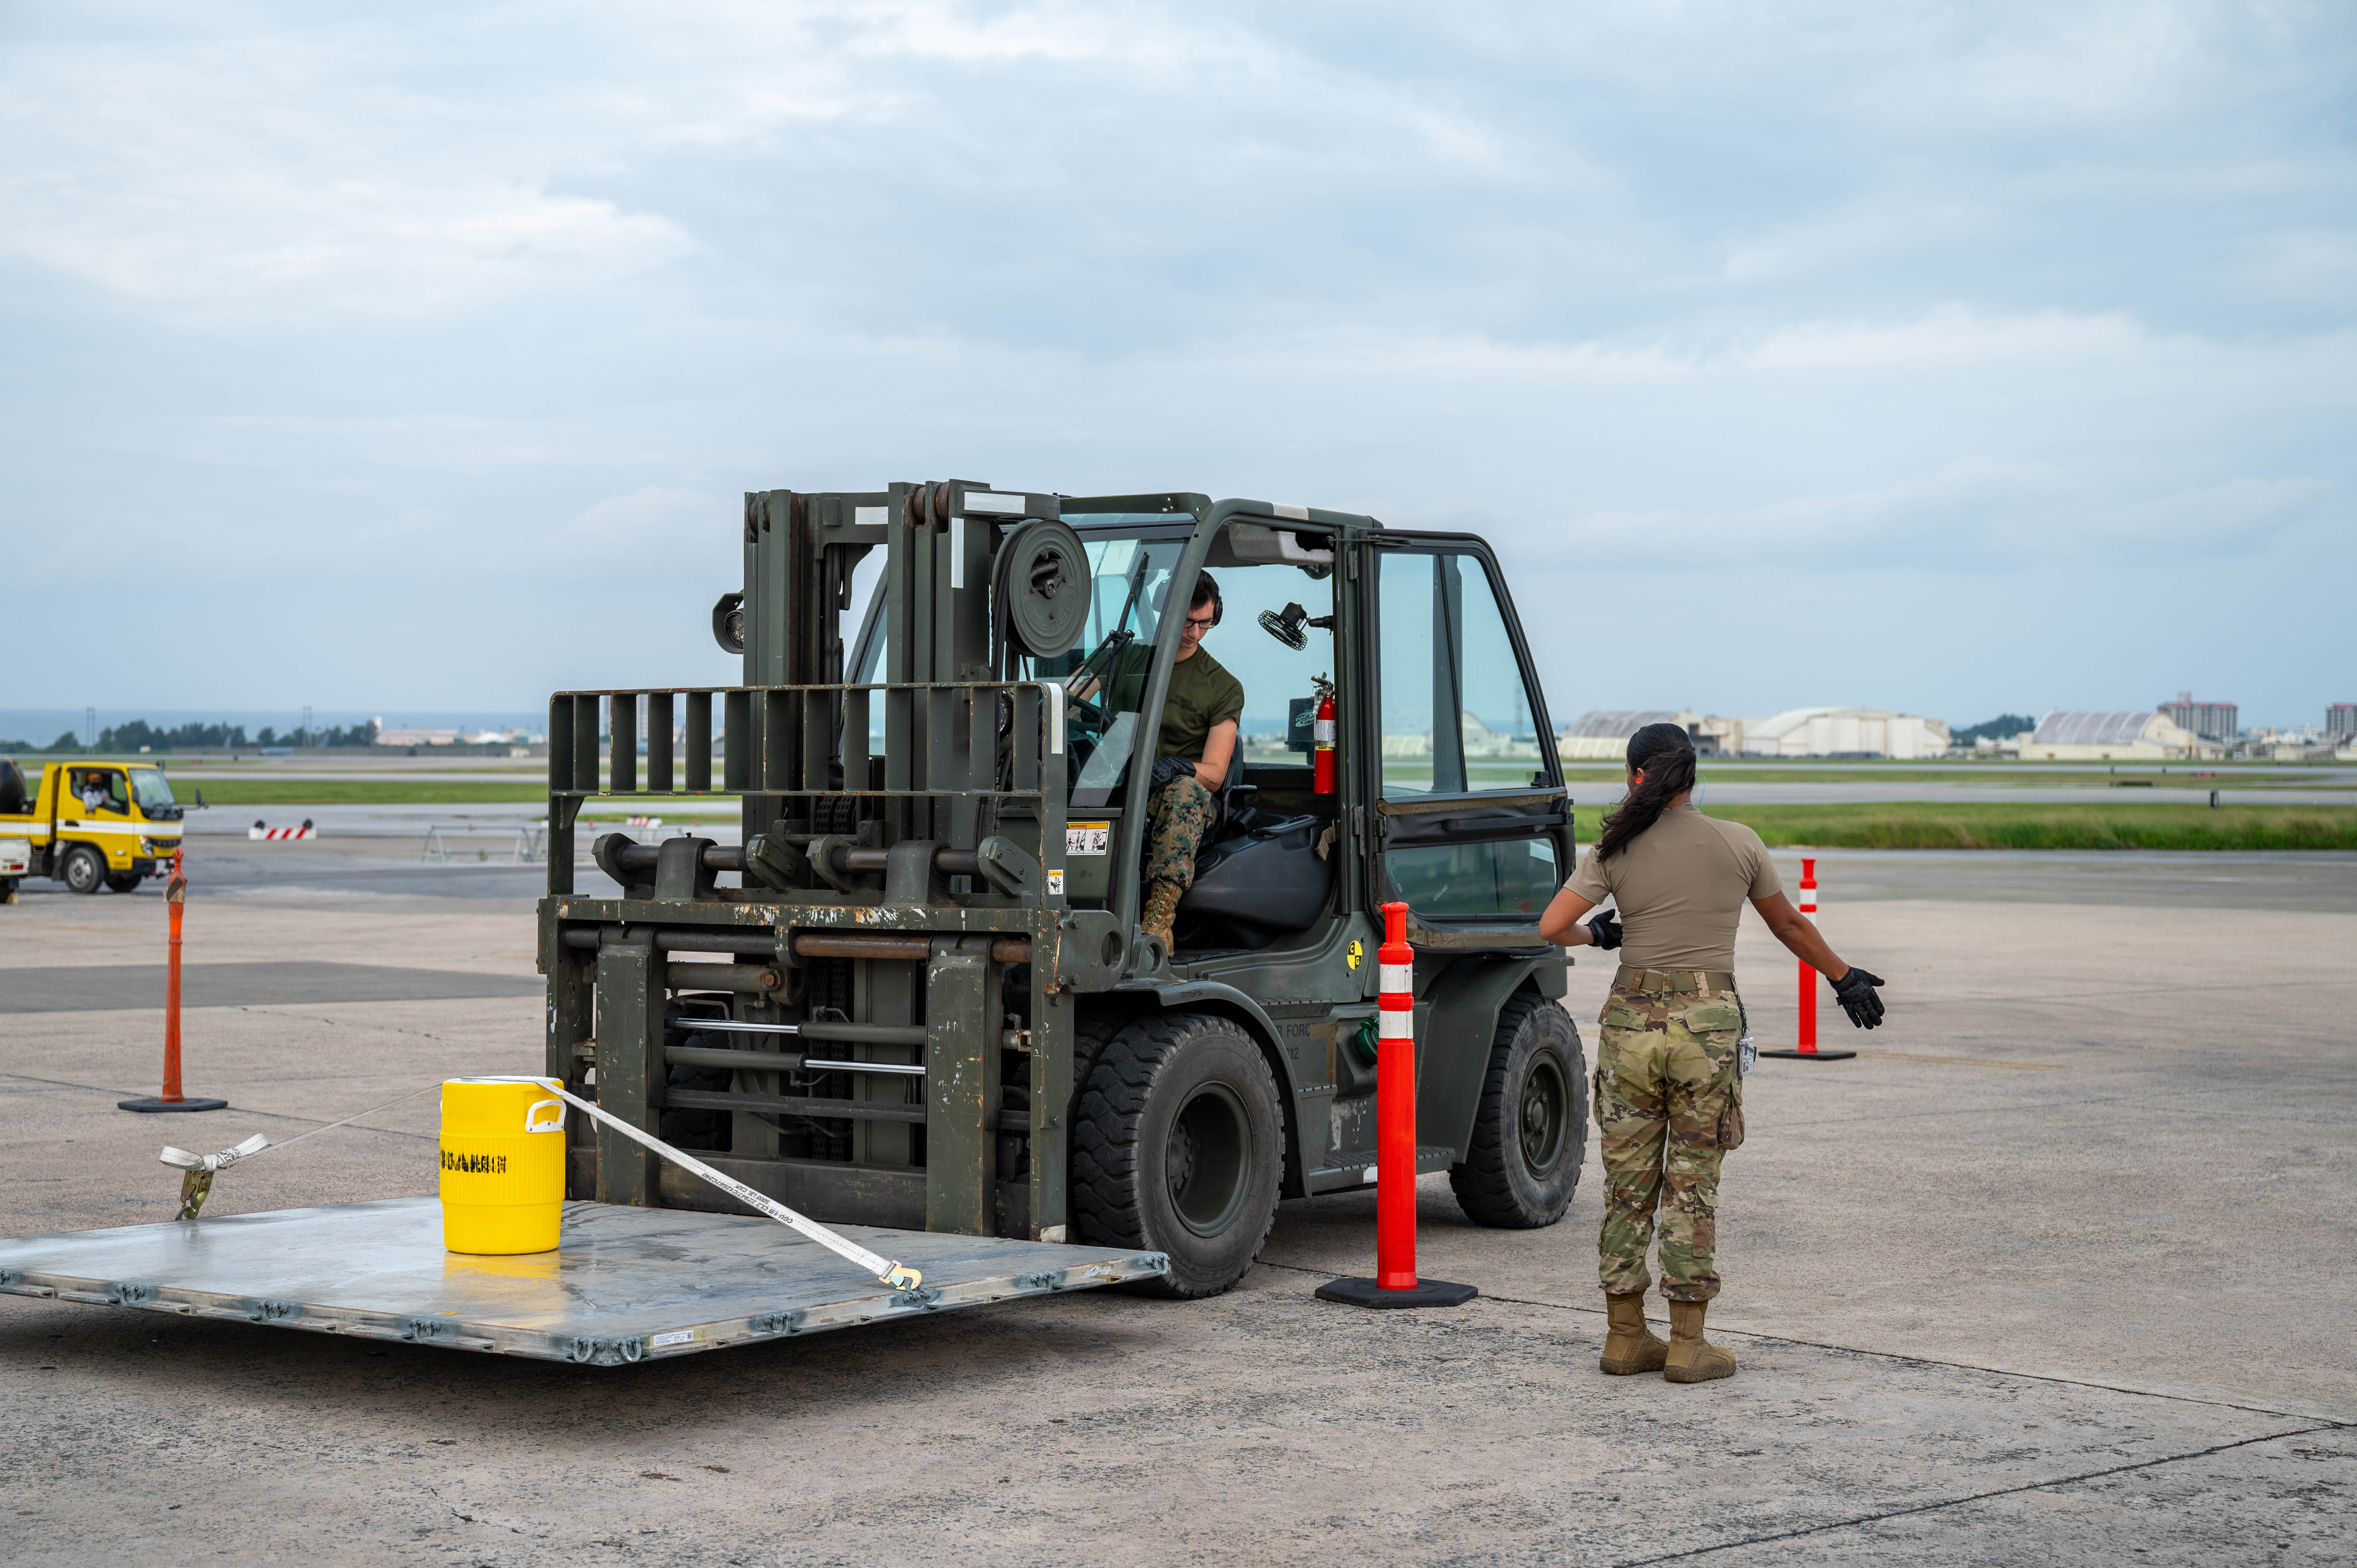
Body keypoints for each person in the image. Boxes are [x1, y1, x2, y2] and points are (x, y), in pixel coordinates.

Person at [1538, 722, 1886, 1384]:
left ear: (1636, 776)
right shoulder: (1739, 843)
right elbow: (1788, 923)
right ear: (1693, 778)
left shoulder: (1614, 846)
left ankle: (1623, 1339)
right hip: (1704, 1032)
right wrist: (1842, 979)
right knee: (1690, 1189)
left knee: (1626, 1190)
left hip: (1629, 1032)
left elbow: (1552, 927)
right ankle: (1687, 1346)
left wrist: (1600, 933)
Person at [1075, 571, 1243, 952]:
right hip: (1113, 785)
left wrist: (1177, 767)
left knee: (1186, 791)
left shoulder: (1222, 686)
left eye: (1205, 623)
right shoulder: (1126, 658)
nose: (1196, 633)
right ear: (1165, 612)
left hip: (1174, 800)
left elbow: (1215, 775)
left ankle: (1157, 926)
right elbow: (1067, 702)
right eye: (1188, 622)